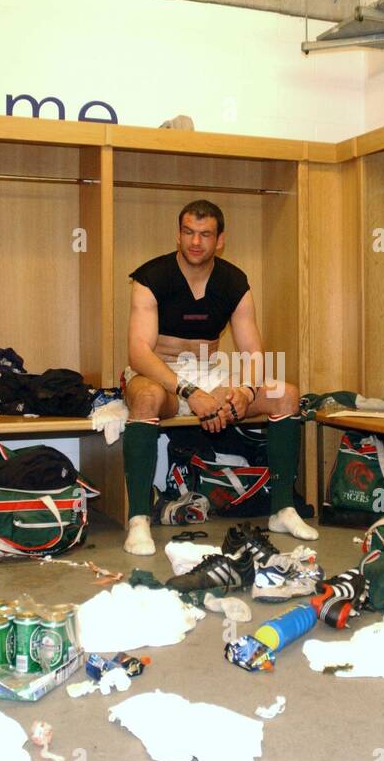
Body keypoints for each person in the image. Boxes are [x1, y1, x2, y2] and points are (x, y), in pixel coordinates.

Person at [121, 199, 316, 555]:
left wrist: (244, 389)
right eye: (188, 232)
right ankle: (138, 519)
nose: (196, 242)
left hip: (209, 371)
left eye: (205, 234)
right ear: (179, 234)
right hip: (160, 374)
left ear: (220, 239)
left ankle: (283, 509)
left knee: (286, 394)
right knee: (146, 399)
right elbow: (139, 353)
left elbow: (254, 352)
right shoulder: (151, 277)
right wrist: (187, 390)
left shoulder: (234, 281)